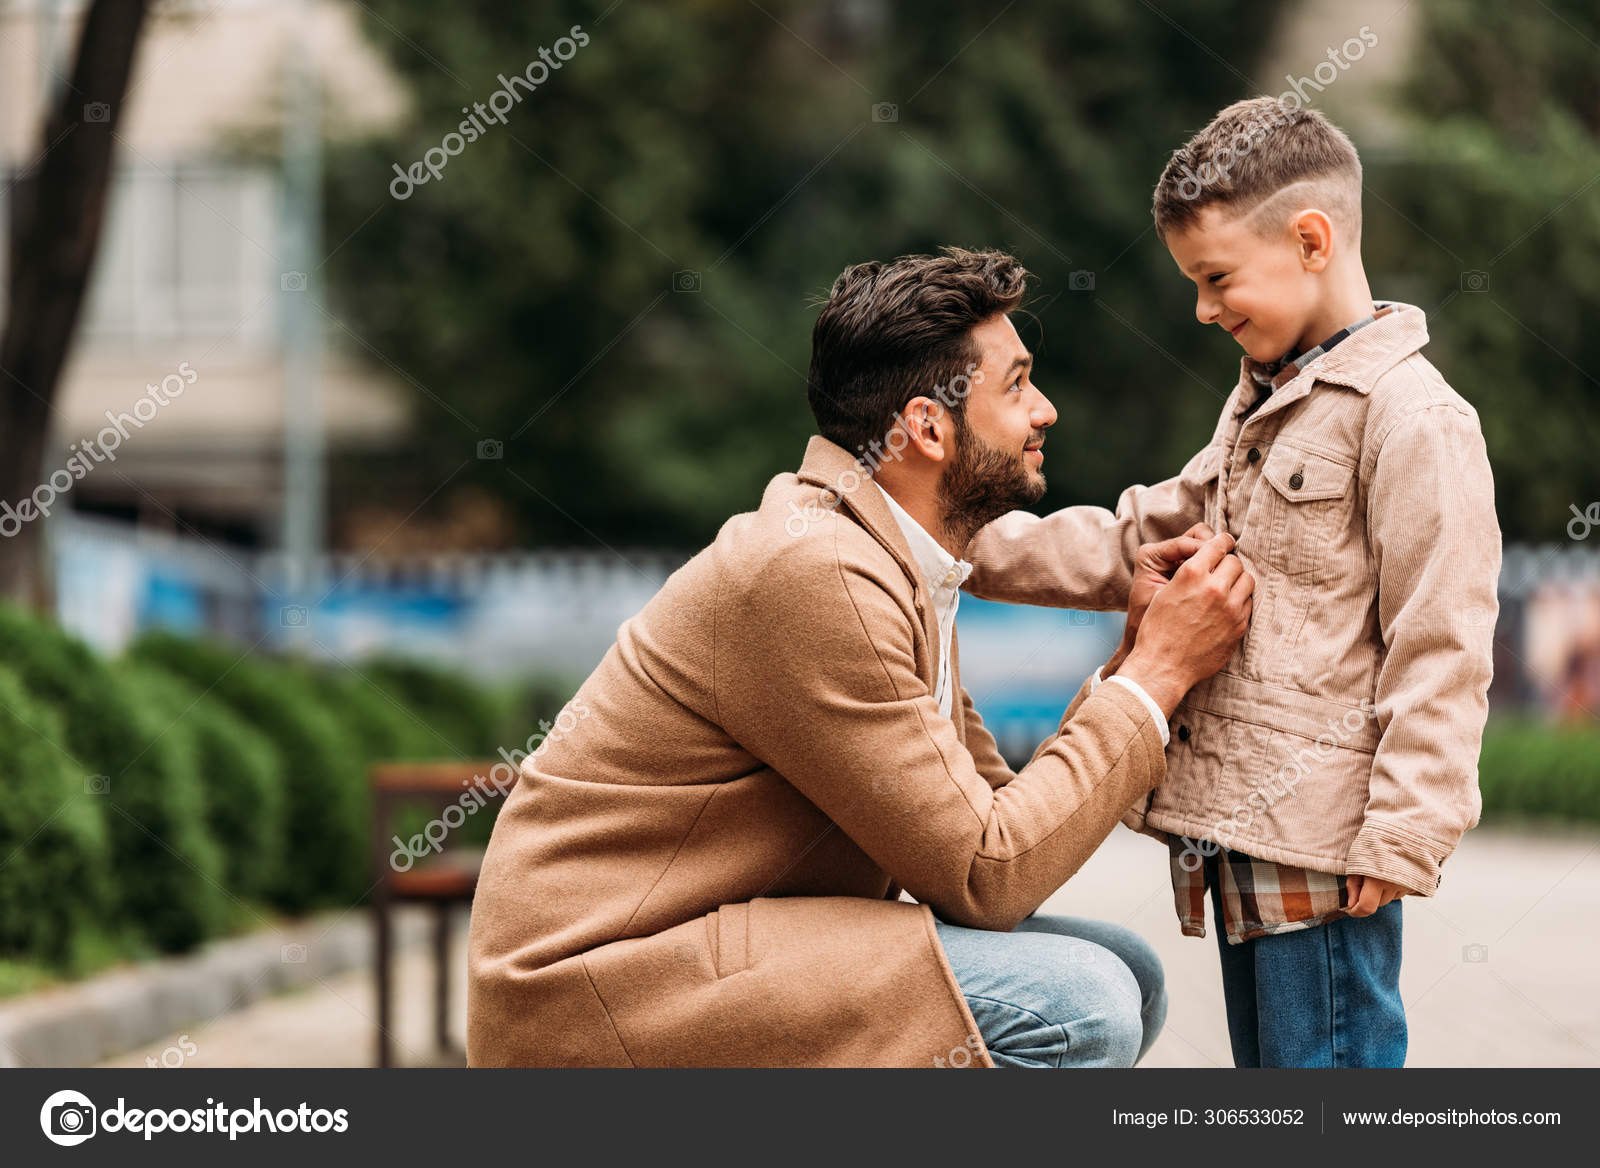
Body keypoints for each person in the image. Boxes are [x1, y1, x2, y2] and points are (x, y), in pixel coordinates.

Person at [467, 247, 1253, 1067]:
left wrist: (1135, 655)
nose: (1045, 409)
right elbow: (992, 877)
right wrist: (1157, 677)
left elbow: (994, 822)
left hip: (701, 948)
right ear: (926, 426)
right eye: (1016, 385)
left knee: (1133, 973)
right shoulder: (819, 575)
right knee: (1078, 1004)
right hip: (599, 992)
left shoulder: (892, 559)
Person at [964, 99, 1501, 1067]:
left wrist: (1404, 831)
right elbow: (1138, 536)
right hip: (1241, 842)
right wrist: (960, 540)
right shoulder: (1261, 404)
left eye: (1214, 280)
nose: (1203, 310)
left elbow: (1443, 641)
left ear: (1309, 240)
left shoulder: (1416, 421)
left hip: (1328, 855)